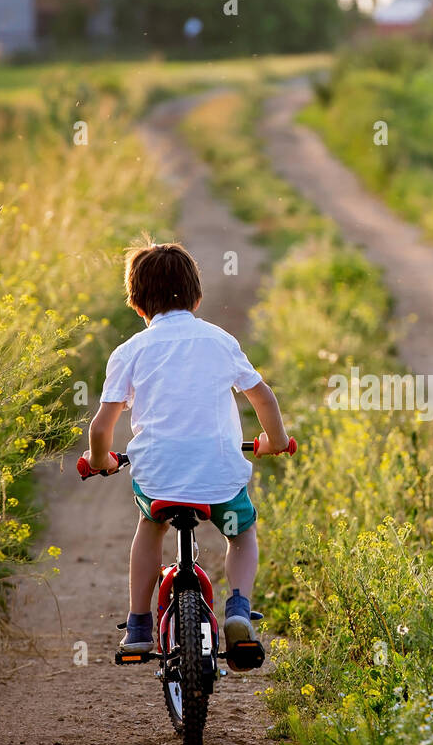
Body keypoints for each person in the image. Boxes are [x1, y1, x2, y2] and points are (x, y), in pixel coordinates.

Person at [82, 241, 291, 664]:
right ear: (197, 298)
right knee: (241, 534)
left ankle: (139, 625)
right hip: (221, 483)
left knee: (150, 527)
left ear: (137, 306)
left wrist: (101, 459)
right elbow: (263, 399)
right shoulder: (219, 340)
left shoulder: (129, 352)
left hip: (159, 481)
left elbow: (101, 428)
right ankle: (238, 607)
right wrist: (275, 441)